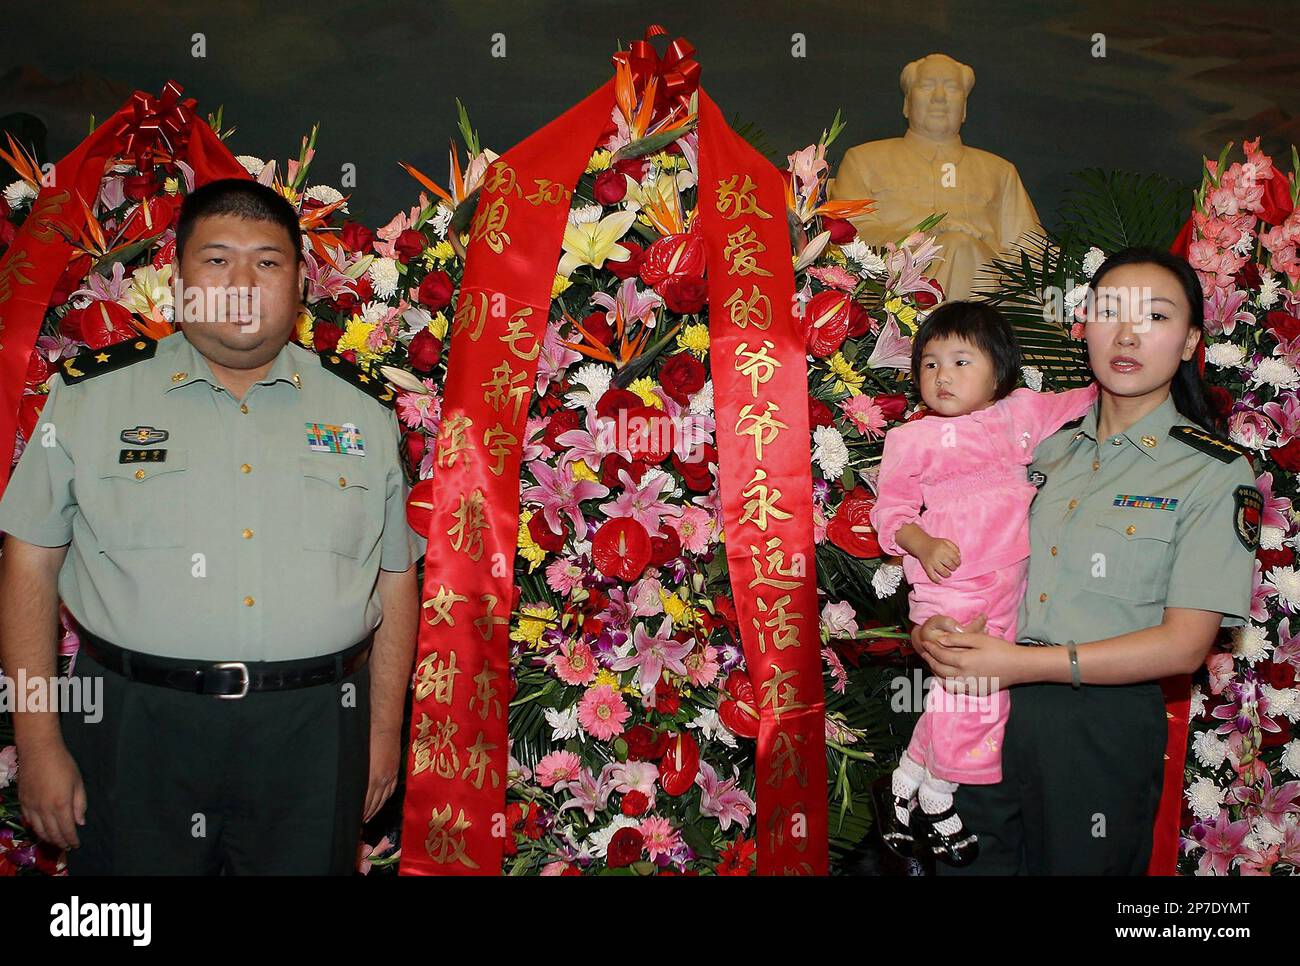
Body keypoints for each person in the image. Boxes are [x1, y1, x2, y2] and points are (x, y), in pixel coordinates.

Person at [0, 179, 419, 874]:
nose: (243, 282)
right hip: (134, 727)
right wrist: (38, 741)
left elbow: (395, 579)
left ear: (301, 286)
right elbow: (29, 564)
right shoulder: (89, 399)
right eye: (217, 259)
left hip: (313, 734)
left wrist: (381, 731)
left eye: (269, 261)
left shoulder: (362, 413)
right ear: (178, 279)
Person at [910, 248, 1258, 875]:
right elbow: (968, 553)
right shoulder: (1036, 447)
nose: (1127, 335)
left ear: (1189, 342)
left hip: (1098, 725)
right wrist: (932, 629)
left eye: (1154, 317)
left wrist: (1026, 664)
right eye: (1109, 313)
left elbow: (1184, 647)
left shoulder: (1211, 472)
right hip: (982, 706)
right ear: (1083, 328)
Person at [869, 302, 1097, 865]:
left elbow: (1085, 399)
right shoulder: (911, 439)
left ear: (998, 373)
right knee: (978, 694)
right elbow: (890, 510)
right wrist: (920, 543)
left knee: (960, 693)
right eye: (929, 363)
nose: (941, 376)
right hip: (952, 581)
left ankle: (904, 786)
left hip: (1007, 580)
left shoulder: (1019, 413)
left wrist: (1114, 355)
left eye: (960, 362)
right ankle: (941, 801)